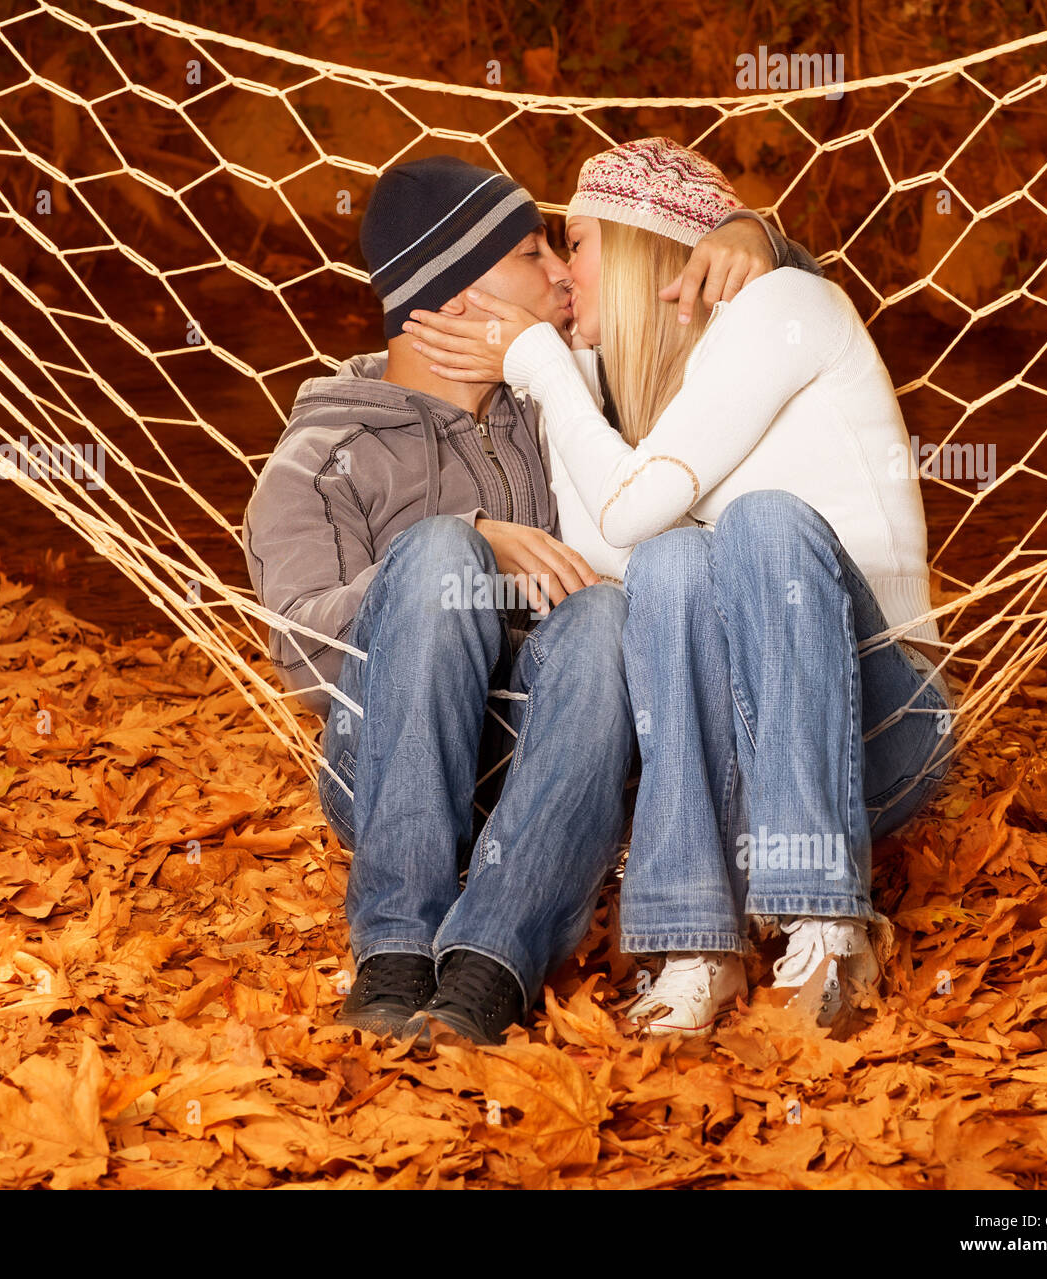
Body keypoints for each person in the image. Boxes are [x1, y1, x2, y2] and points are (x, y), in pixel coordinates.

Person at [243, 151, 823, 1046]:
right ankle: (395, 948)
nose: (564, 272)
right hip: (397, 769)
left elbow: (753, 330)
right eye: (530, 254)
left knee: (601, 615)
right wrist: (466, 545)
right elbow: (305, 658)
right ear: (457, 295)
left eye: (562, 250)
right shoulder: (327, 451)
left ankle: (490, 964)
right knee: (439, 547)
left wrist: (753, 238)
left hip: (564, 773)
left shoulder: (571, 396)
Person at [403, 137, 955, 1036]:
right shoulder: (639, 395)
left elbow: (632, 508)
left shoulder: (784, 307)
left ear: (634, 244)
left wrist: (541, 358)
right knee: (669, 564)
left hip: (884, 720)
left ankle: (827, 921)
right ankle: (698, 943)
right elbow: (613, 565)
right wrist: (566, 372)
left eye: (573, 242)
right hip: (753, 744)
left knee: (764, 520)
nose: (562, 270)